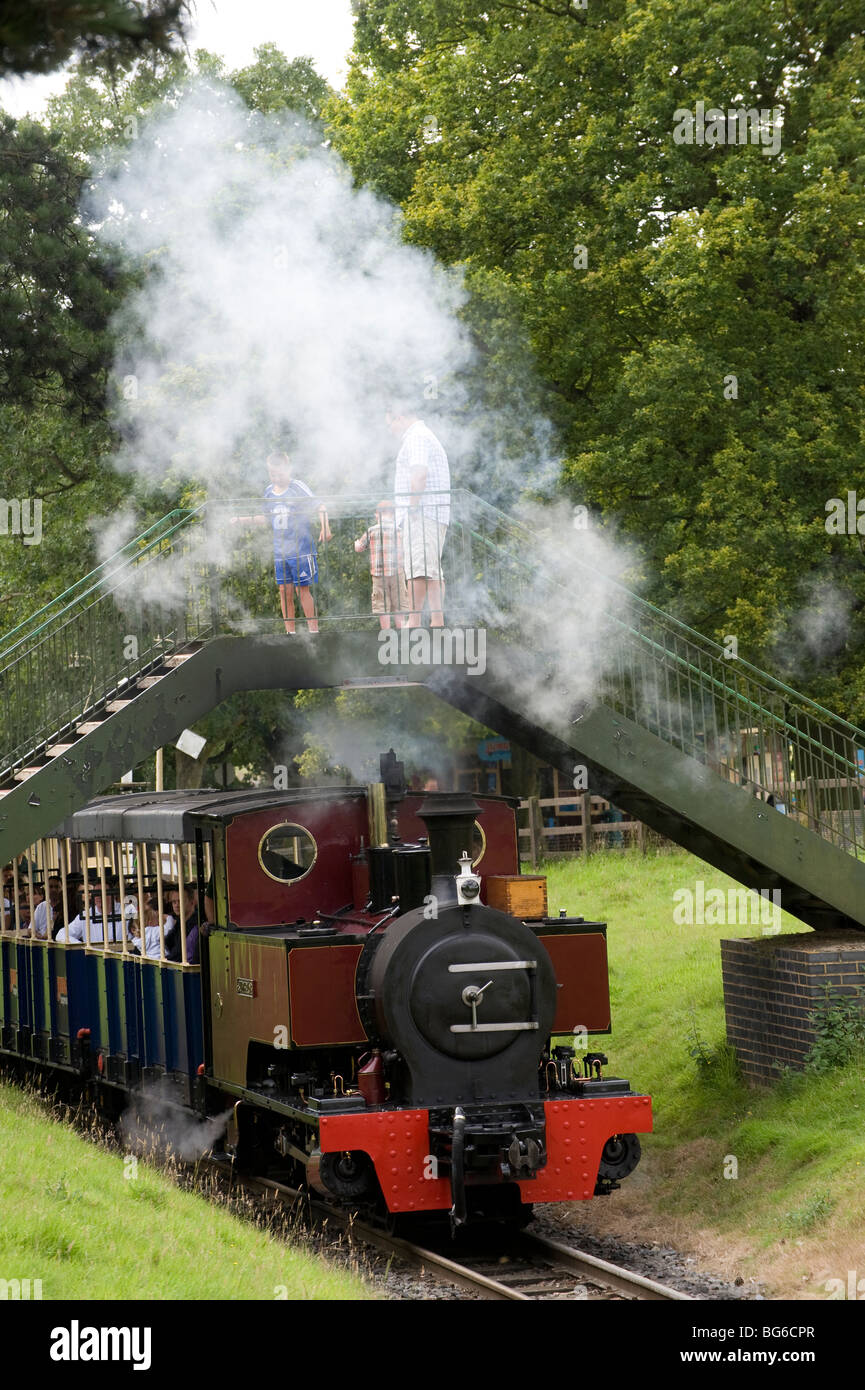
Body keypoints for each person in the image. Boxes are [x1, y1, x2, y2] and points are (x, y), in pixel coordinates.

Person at [230, 451, 331, 635]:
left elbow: (320, 505)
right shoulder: (268, 492)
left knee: (302, 590)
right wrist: (242, 520)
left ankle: (314, 631)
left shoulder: (297, 487)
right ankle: (290, 632)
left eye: (280, 473)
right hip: (280, 551)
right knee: (284, 590)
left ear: (288, 469)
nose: (276, 478)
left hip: (301, 548)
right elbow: (266, 519)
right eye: (272, 474)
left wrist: (325, 527)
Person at [386, 403, 450, 627]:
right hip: (429, 513)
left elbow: (419, 474)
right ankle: (436, 620)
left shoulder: (416, 437)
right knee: (431, 570)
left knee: (417, 570)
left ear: (400, 418)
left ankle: (413, 621)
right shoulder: (423, 435)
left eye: (390, 423)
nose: (390, 429)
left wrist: (411, 507)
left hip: (422, 513)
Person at [354, 500, 410, 630]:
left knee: (382, 605)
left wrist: (356, 543)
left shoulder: (371, 530)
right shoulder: (399, 530)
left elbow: (359, 548)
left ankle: (386, 632)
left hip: (378, 574)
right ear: (393, 514)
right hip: (398, 572)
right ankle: (401, 630)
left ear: (377, 515)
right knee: (399, 604)